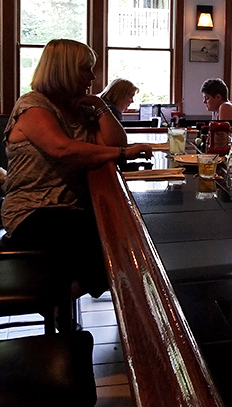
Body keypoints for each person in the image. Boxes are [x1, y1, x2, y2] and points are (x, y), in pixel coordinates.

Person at [1, 39, 153, 298]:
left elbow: (115, 140)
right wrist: (122, 154)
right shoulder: (33, 106)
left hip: (70, 206)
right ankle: (58, 295)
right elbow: (63, 149)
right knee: (117, 239)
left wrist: (100, 105)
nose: (92, 76)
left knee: (127, 230)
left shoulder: (81, 107)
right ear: (63, 70)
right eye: (85, 69)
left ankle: (64, 294)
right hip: (33, 211)